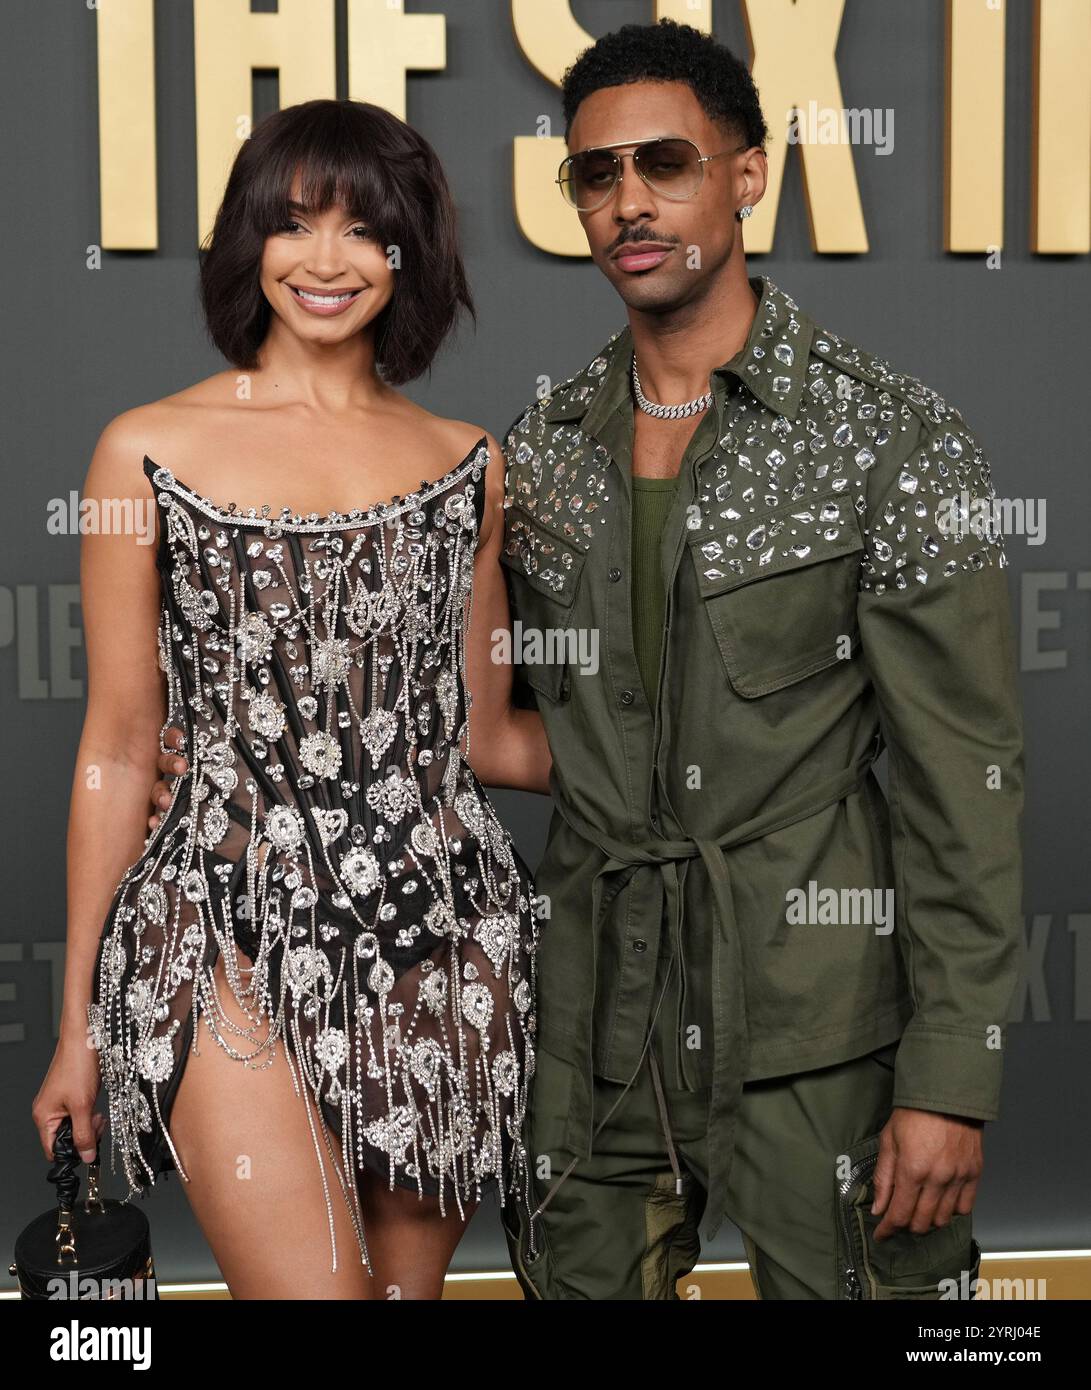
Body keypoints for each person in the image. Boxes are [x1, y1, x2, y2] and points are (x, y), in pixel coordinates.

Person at [149, 21, 1025, 1302]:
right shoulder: (537, 451)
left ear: (747, 173)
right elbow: (454, 712)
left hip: (816, 1026)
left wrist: (949, 1080)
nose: (628, 203)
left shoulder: (884, 438)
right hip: (589, 1031)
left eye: (664, 164)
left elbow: (967, 788)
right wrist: (241, 751)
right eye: (594, 174)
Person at [33, 98, 551, 1301]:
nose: (328, 261)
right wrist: (75, 1026)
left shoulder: (471, 461)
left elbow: (482, 734)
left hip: (446, 936)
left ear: (409, 255)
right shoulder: (144, 451)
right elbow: (116, 744)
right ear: (247, 244)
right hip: (220, 926)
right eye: (295, 224)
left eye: (367, 231)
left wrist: (739, 755)